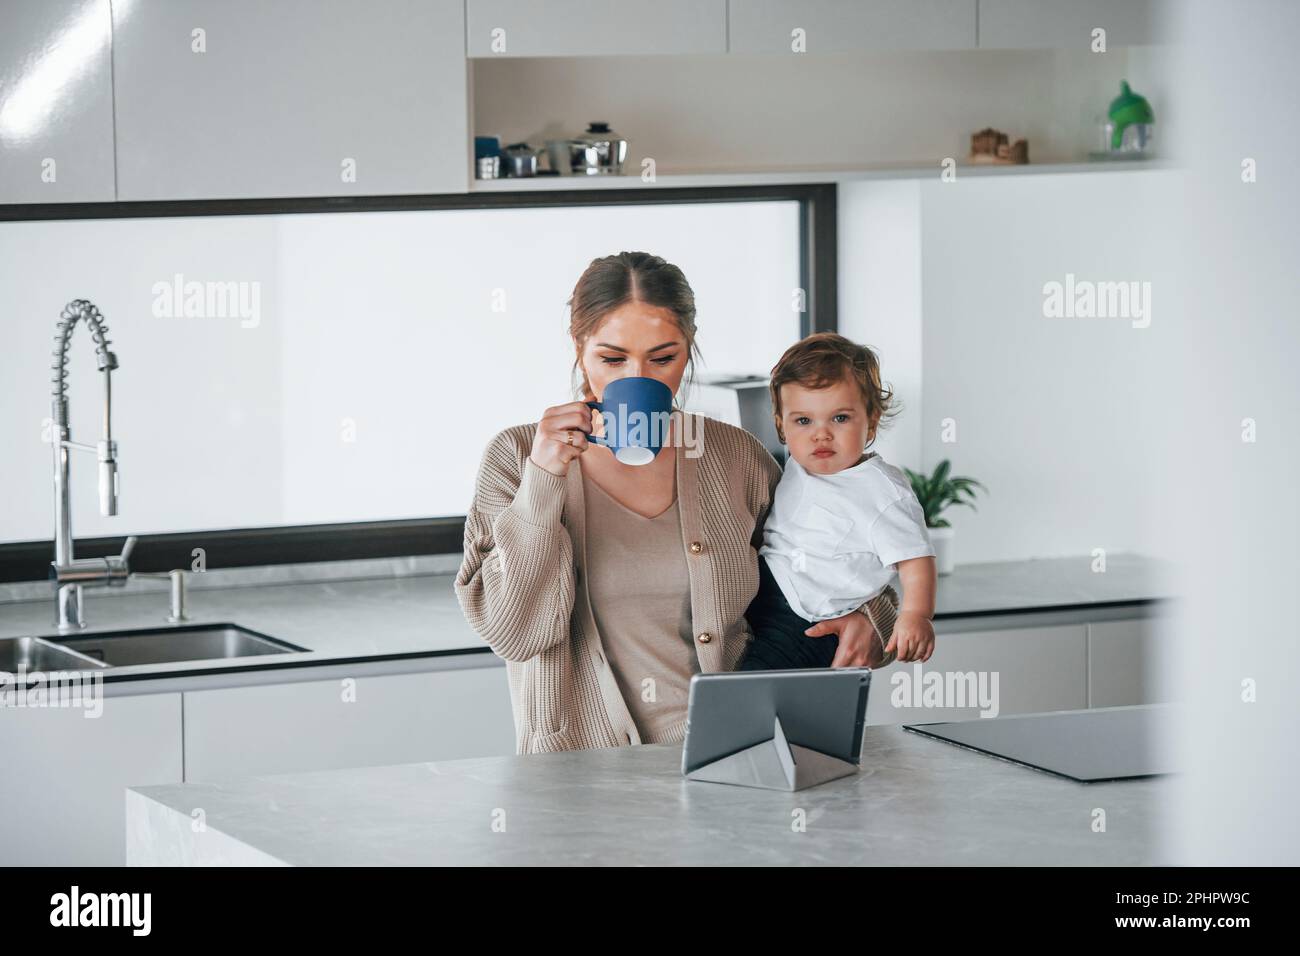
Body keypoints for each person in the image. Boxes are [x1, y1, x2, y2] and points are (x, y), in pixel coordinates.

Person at [455, 252, 901, 754]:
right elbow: (515, 633)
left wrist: (871, 620)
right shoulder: (517, 457)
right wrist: (543, 482)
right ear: (579, 348)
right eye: (612, 358)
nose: (637, 377)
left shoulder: (735, 457)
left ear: (689, 351)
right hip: (579, 780)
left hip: (736, 758)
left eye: (663, 359)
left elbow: (839, 561)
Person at [739, 332, 938, 671]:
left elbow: (916, 560)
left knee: (752, 681)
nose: (821, 434)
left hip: (810, 619)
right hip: (768, 587)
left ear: (872, 420)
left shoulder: (884, 492)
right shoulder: (798, 463)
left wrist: (916, 615)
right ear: (782, 427)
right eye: (803, 420)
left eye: (840, 418)